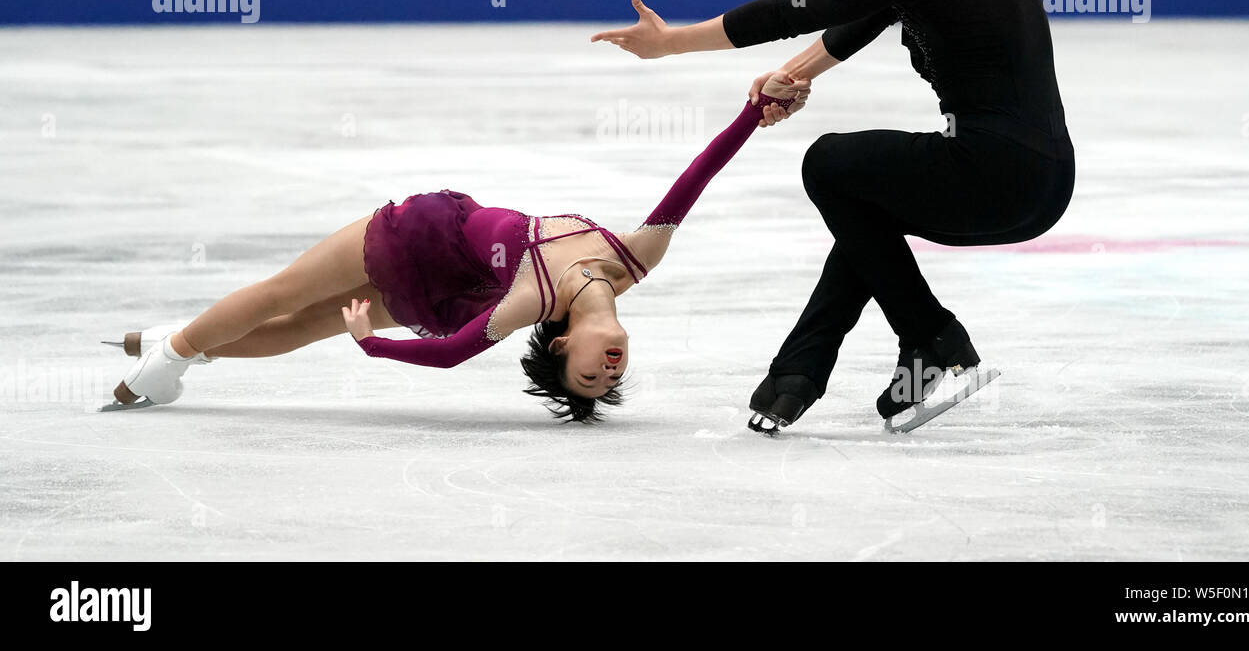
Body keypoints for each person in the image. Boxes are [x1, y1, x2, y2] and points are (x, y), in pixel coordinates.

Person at [591, 0, 1074, 434]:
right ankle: (802, 374)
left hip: (994, 172)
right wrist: (793, 77)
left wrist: (672, 42)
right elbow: (867, 14)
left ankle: (934, 340)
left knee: (830, 164)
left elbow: (807, 7)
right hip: (1045, 180)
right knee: (864, 208)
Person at [105, 78, 806, 423]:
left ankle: (166, 363)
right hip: (436, 246)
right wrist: (754, 111)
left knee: (294, 308)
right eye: (609, 381)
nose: (609, 372)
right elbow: (697, 176)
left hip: (429, 258)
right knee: (290, 305)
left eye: (591, 381)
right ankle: (175, 344)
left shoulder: (536, 300)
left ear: (562, 349)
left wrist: (367, 344)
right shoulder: (636, 260)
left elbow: (447, 355)